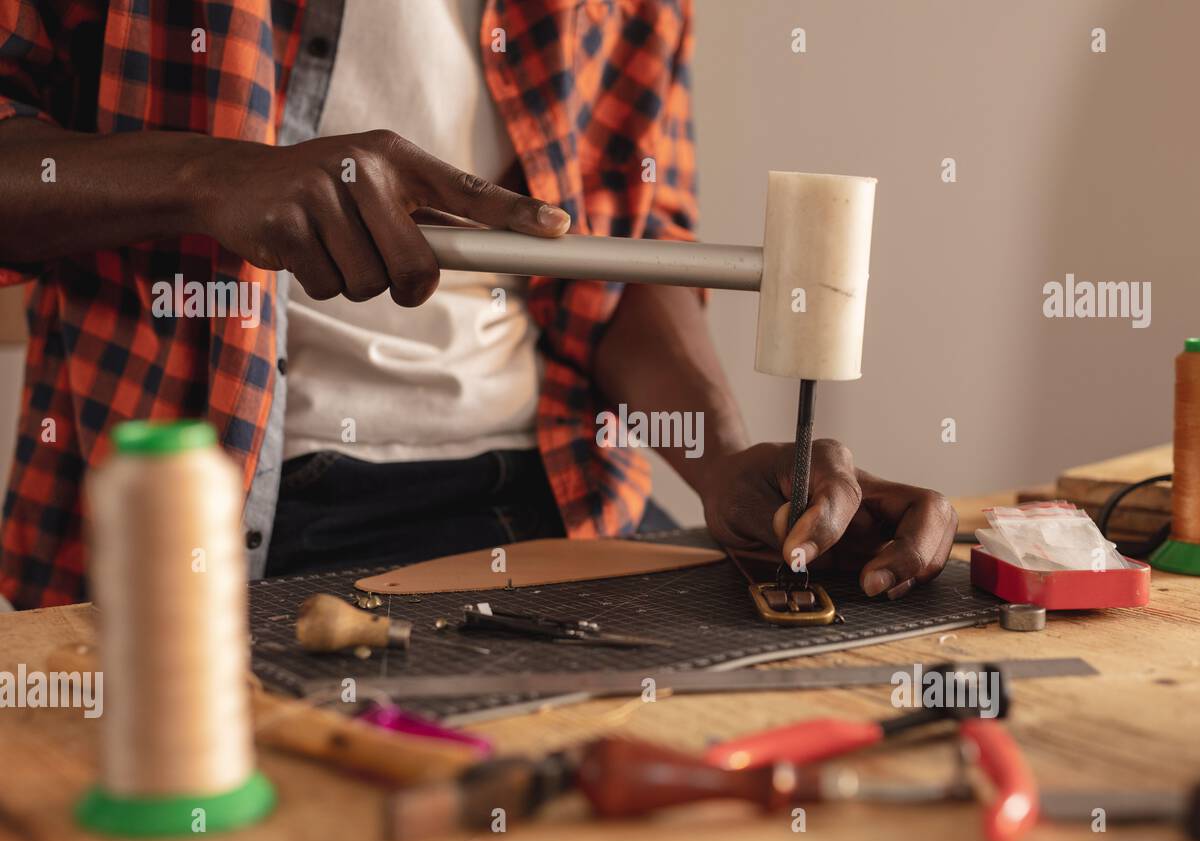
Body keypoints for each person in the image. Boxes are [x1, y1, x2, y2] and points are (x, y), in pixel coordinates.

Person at [0, 0, 955, 611]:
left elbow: (615, 268)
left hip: (551, 501)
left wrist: (729, 468)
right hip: (217, 528)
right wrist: (205, 174)